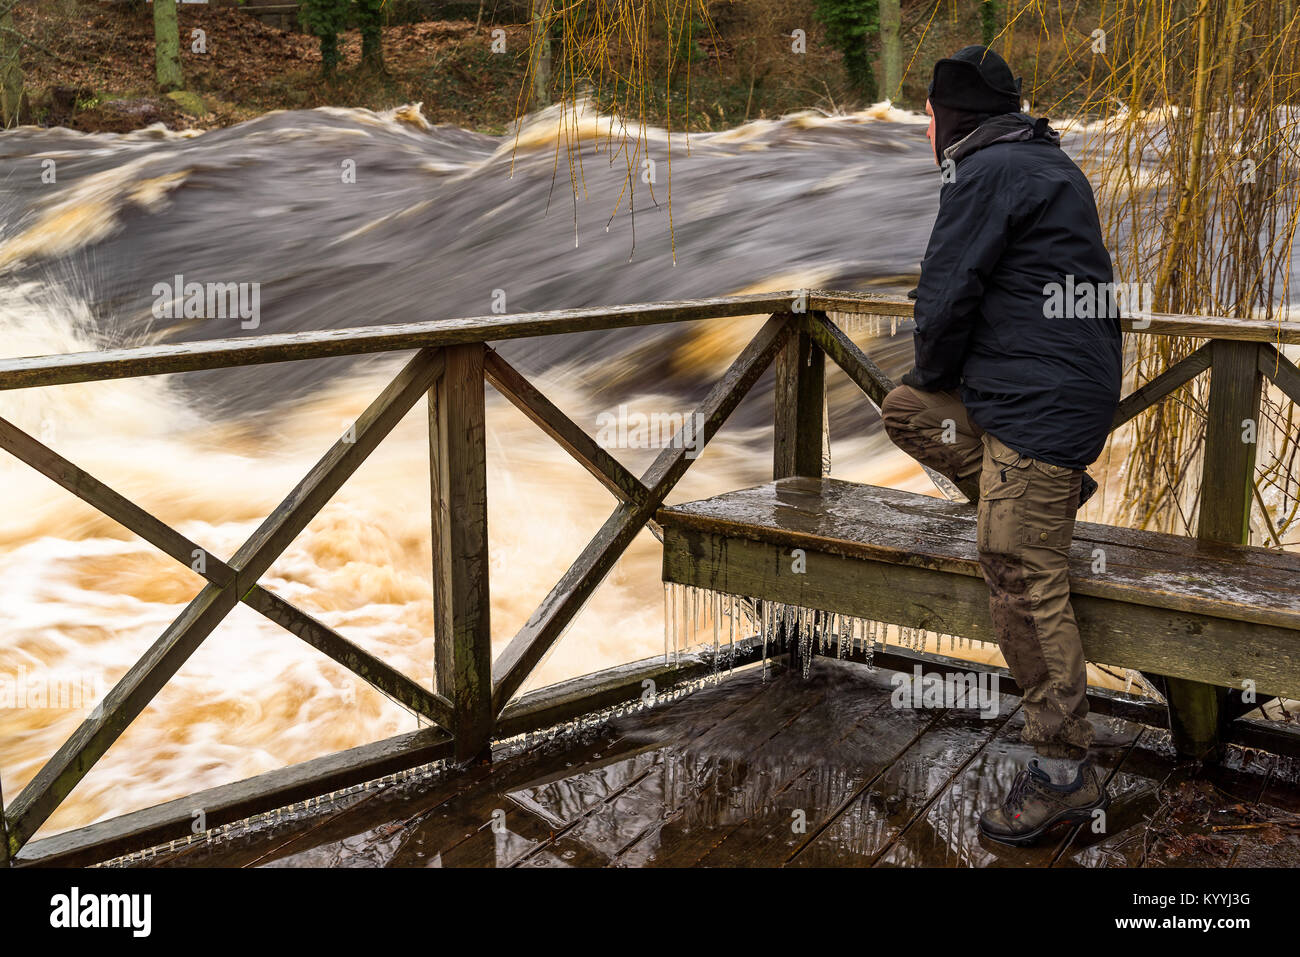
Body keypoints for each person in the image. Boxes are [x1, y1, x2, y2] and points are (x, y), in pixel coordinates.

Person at [879, 45, 1122, 846]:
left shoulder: (986, 172)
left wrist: (939, 361)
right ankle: (1038, 493)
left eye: (929, 113)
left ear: (953, 117)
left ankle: (1063, 774)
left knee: (1016, 568)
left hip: (1039, 402)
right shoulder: (1044, 162)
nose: (924, 127)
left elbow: (946, 295)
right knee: (909, 407)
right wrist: (937, 379)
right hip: (1053, 387)